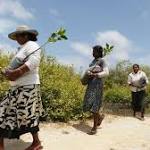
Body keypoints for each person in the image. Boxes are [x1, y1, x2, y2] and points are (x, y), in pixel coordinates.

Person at [0, 25, 43, 150]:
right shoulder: (22, 48)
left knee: (24, 115)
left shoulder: (32, 45)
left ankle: (36, 143)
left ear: (26, 35)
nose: (17, 38)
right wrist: (7, 72)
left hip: (27, 87)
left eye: (18, 35)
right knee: (19, 115)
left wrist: (16, 72)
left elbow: (34, 61)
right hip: (17, 87)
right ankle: (36, 142)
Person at [81, 45, 109, 135]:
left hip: (97, 85)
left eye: (94, 51)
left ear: (99, 52)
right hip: (91, 84)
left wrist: (97, 75)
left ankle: (94, 127)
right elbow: (90, 71)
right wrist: (89, 73)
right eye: (92, 51)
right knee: (88, 103)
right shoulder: (93, 61)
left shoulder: (102, 60)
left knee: (95, 106)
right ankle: (100, 118)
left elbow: (106, 72)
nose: (92, 53)